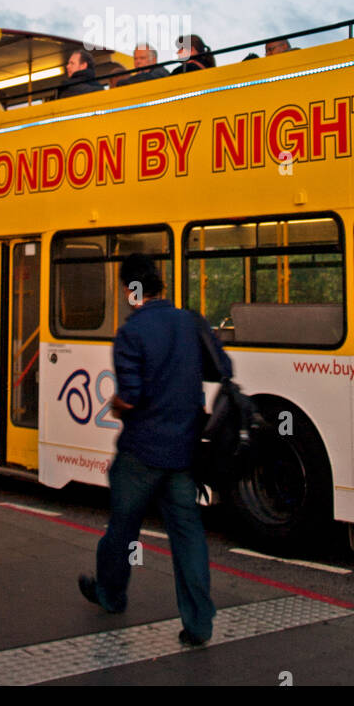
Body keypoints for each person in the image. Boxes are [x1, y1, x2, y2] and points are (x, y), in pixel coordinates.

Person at [78, 253, 232, 646]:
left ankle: (111, 593)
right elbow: (222, 368)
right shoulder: (188, 321)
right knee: (188, 536)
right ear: (160, 285)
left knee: (122, 530)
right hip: (182, 455)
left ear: (132, 290)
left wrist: (114, 404)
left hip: (141, 453)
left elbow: (131, 396)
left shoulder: (132, 332)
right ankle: (198, 622)